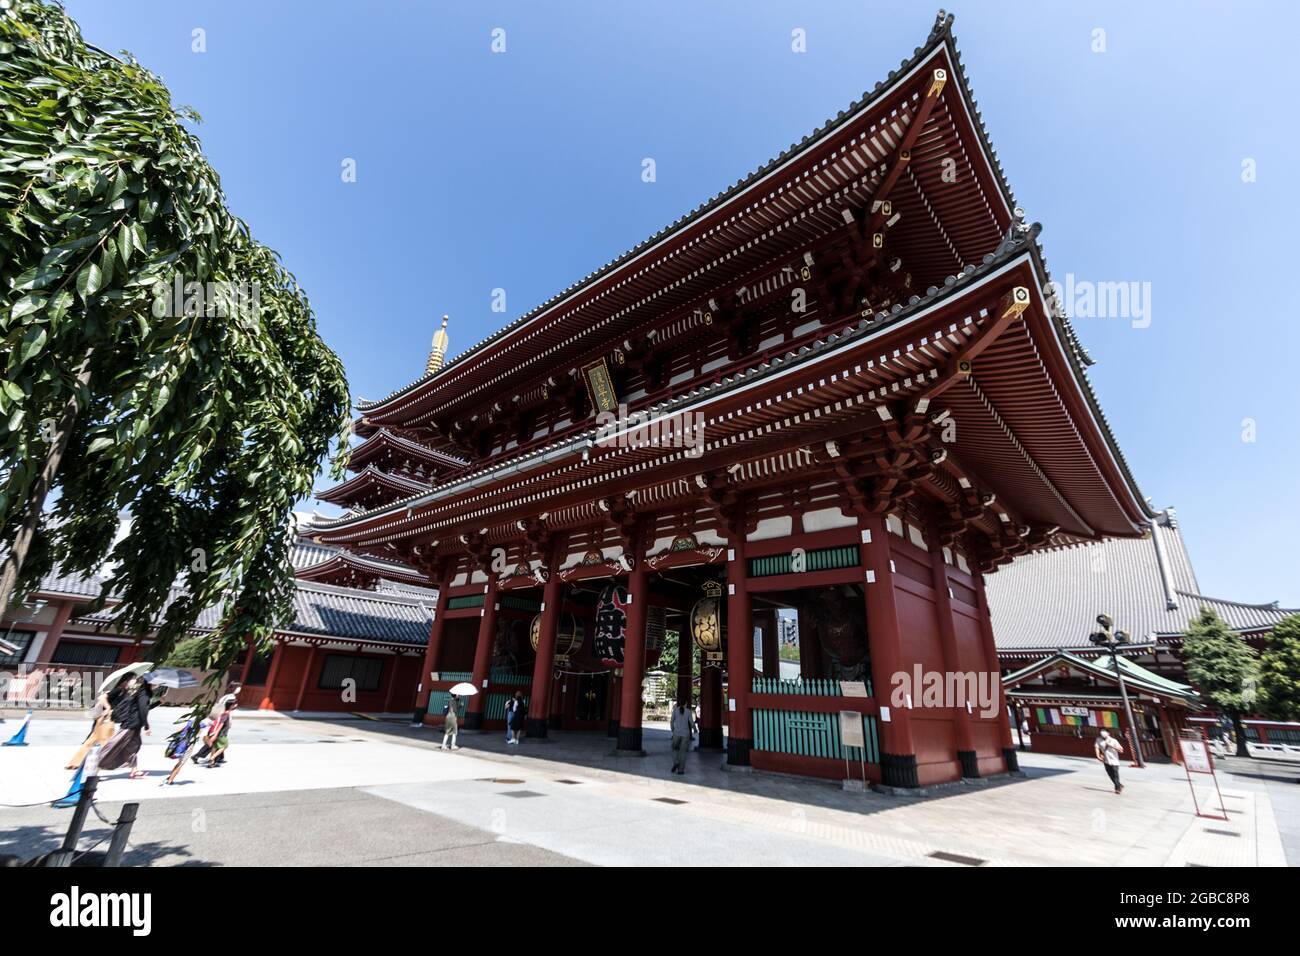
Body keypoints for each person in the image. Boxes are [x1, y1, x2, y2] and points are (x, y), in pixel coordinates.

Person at [97, 676, 152, 778]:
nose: (158, 685)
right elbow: (143, 709)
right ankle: (96, 764)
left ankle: (134, 770)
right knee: (114, 744)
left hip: (134, 725)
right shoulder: (144, 693)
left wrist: (158, 702)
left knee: (133, 746)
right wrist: (147, 726)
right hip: (131, 724)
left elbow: (142, 708)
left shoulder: (141, 692)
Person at [65, 691, 115, 770]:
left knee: (91, 741)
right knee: (106, 742)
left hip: (101, 719)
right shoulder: (117, 690)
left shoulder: (114, 690)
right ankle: (107, 763)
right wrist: (108, 707)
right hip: (106, 719)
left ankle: (75, 762)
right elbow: (102, 698)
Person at [670, 699, 696, 775]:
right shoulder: (688, 711)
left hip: (676, 733)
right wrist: (695, 729)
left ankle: (676, 762)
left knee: (674, 749)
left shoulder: (675, 710)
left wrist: (673, 729)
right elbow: (691, 722)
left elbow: (671, 721)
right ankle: (681, 770)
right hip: (685, 734)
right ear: (686, 704)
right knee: (683, 752)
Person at [1095, 729, 1125, 793]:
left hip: (1114, 760)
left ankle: (1117, 789)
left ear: (1108, 733)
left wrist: (1112, 746)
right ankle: (1119, 784)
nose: (1102, 735)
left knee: (1115, 774)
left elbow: (1121, 750)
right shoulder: (1098, 740)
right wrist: (1098, 756)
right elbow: (1096, 747)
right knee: (1110, 774)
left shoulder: (1114, 740)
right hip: (1106, 760)